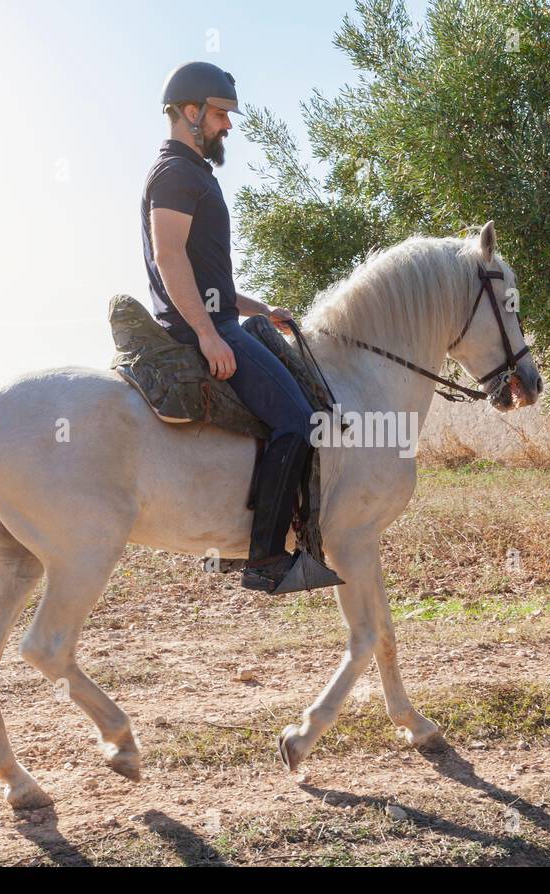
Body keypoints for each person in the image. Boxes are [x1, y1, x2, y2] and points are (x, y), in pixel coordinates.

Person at [142, 61, 341, 594]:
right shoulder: (175, 173)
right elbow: (168, 256)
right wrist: (208, 335)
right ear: (191, 113)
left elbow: (207, 277)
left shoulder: (193, 173)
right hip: (201, 329)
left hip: (221, 318)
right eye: (220, 114)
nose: (228, 125)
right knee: (299, 422)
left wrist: (257, 309)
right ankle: (266, 557)